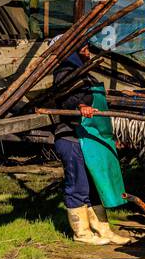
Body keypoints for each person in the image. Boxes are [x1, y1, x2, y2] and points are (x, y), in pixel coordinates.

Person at [52, 44, 132, 246]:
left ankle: (102, 229)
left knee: (95, 184)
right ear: (72, 51)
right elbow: (65, 97)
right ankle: (82, 232)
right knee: (78, 185)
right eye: (84, 48)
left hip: (91, 138)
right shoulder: (64, 72)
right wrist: (80, 106)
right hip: (73, 138)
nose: (88, 52)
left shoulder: (86, 75)